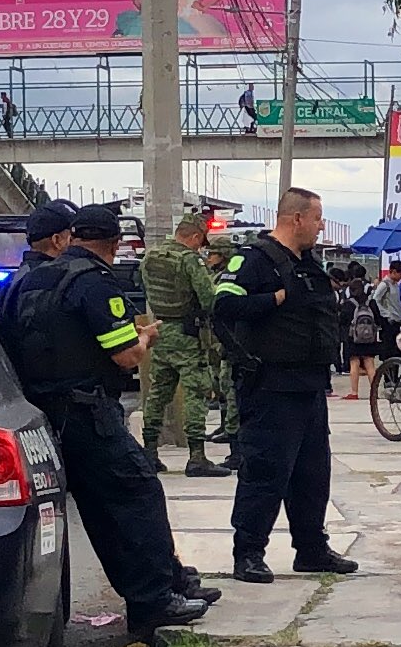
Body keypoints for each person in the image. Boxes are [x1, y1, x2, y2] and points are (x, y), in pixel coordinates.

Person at [8, 205, 210, 636]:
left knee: (102, 511)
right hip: (88, 412)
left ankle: (166, 585)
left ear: (73, 236)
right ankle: (155, 600)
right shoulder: (94, 282)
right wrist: (145, 337)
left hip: (40, 418)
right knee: (139, 494)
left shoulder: (24, 282)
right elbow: (126, 355)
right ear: (115, 244)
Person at [212, 188, 359, 584]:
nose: (321, 226)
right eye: (317, 218)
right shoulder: (255, 259)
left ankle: (311, 549)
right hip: (270, 385)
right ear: (297, 219)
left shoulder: (308, 264)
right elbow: (223, 306)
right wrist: (274, 298)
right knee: (265, 471)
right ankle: (248, 553)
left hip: (309, 384)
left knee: (313, 474)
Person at [138, 213, 230, 477]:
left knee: (158, 393)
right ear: (196, 236)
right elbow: (209, 299)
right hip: (188, 335)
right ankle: (197, 456)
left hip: (161, 331)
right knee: (196, 392)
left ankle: (150, 452)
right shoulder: (190, 260)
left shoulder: (151, 257)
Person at [0, 199, 79, 353]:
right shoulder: (60, 281)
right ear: (57, 240)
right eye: (73, 238)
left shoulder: (10, 282)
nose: (79, 244)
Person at [203, 237, 241, 459]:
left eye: (213, 254)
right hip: (215, 340)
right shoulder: (215, 275)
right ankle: (226, 426)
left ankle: (234, 440)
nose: (209, 258)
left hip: (226, 340)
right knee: (219, 385)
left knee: (229, 387)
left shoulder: (229, 278)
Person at [344, 274, 382, 399]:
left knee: (354, 363)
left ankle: (354, 393)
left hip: (353, 338)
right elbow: (378, 319)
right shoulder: (371, 303)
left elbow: (343, 320)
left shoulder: (349, 303)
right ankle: (374, 392)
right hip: (370, 338)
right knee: (370, 364)